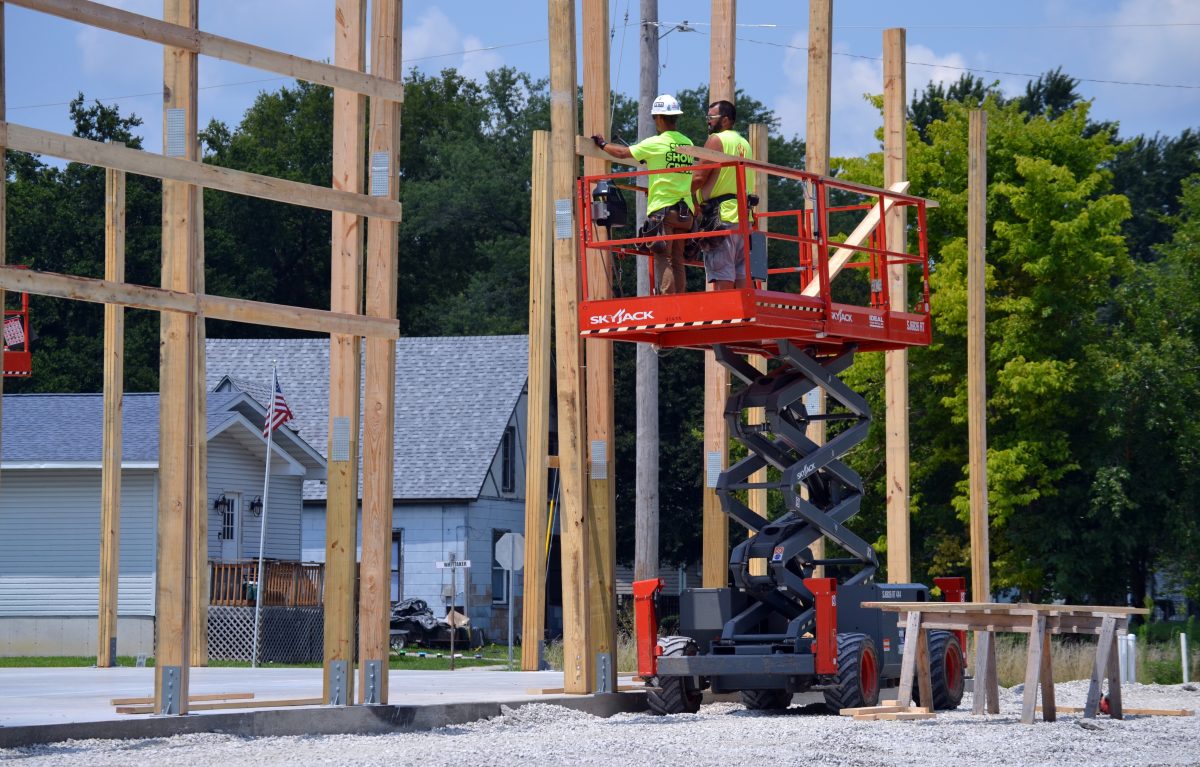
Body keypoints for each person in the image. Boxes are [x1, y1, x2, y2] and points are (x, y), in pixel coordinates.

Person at [591, 94, 694, 294]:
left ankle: (668, 300)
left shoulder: (656, 143)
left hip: (664, 211)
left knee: (663, 257)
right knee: (678, 259)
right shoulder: (687, 142)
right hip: (685, 213)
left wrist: (602, 144)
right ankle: (681, 301)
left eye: (655, 117)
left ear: (660, 118)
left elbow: (622, 153)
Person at [690, 99, 755, 290]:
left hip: (721, 217)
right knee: (742, 272)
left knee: (722, 272)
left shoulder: (716, 140)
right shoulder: (744, 143)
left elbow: (699, 177)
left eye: (712, 117)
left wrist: (680, 193)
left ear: (725, 120)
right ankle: (743, 317)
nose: (708, 121)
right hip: (743, 216)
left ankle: (727, 319)